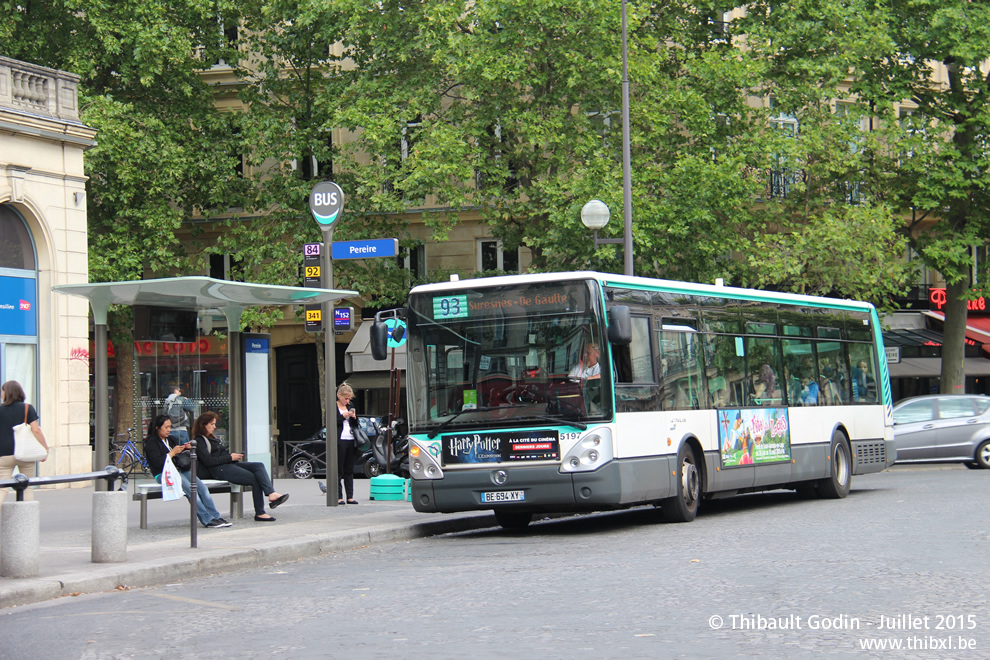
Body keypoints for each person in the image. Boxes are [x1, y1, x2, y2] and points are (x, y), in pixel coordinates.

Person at [193, 411, 288, 521]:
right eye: (212, 424)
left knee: (259, 466)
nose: (214, 427)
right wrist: (230, 457)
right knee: (254, 479)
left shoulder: (212, 438)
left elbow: (220, 455)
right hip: (218, 469)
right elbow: (208, 461)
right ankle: (260, 512)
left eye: (215, 424)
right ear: (204, 425)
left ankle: (271, 493)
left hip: (226, 464)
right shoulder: (199, 440)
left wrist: (233, 456)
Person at [143, 414, 230, 528]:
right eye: (166, 427)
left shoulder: (170, 439)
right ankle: (207, 519)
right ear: (157, 428)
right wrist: (172, 453)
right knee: (191, 490)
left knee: (202, 488)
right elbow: (157, 463)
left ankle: (215, 516)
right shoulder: (151, 442)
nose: (169, 430)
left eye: (170, 427)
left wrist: (183, 448)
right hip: (164, 473)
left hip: (179, 469)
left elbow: (177, 455)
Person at [0, 380, 49, 504]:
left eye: (2, 391)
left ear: (6, 393)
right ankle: (28, 521)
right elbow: (36, 430)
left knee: (2, 488)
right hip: (25, 452)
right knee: (27, 487)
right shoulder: (27, 408)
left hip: (4, 454)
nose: (1, 394)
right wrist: (45, 448)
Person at [336, 383, 360, 505]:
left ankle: (350, 496)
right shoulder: (333, 406)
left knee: (349, 470)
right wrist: (342, 416)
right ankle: (338, 497)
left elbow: (356, 425)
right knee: (339, 470)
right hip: (339, 440)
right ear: (339, 395)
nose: (348, 400)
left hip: (351, 439)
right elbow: (330, 422)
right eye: (346, 398)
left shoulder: (351, 406)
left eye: (349, 398)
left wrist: (354, 417)